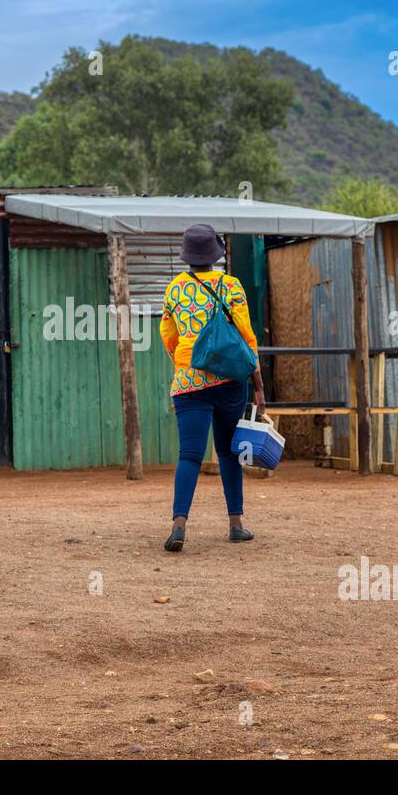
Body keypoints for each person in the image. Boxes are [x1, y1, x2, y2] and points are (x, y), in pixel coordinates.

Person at [158, 223, 265, 553]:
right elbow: (247, 337)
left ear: (187, 255)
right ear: (216, 255)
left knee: (189, 455)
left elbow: (168, 336)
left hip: (189, 382)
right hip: (230, 379)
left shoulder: (175, 289)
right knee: (229, 453)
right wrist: (259, 386)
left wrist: (185, 363)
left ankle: (179, 525)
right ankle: (236, 525)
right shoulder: (231, 286)